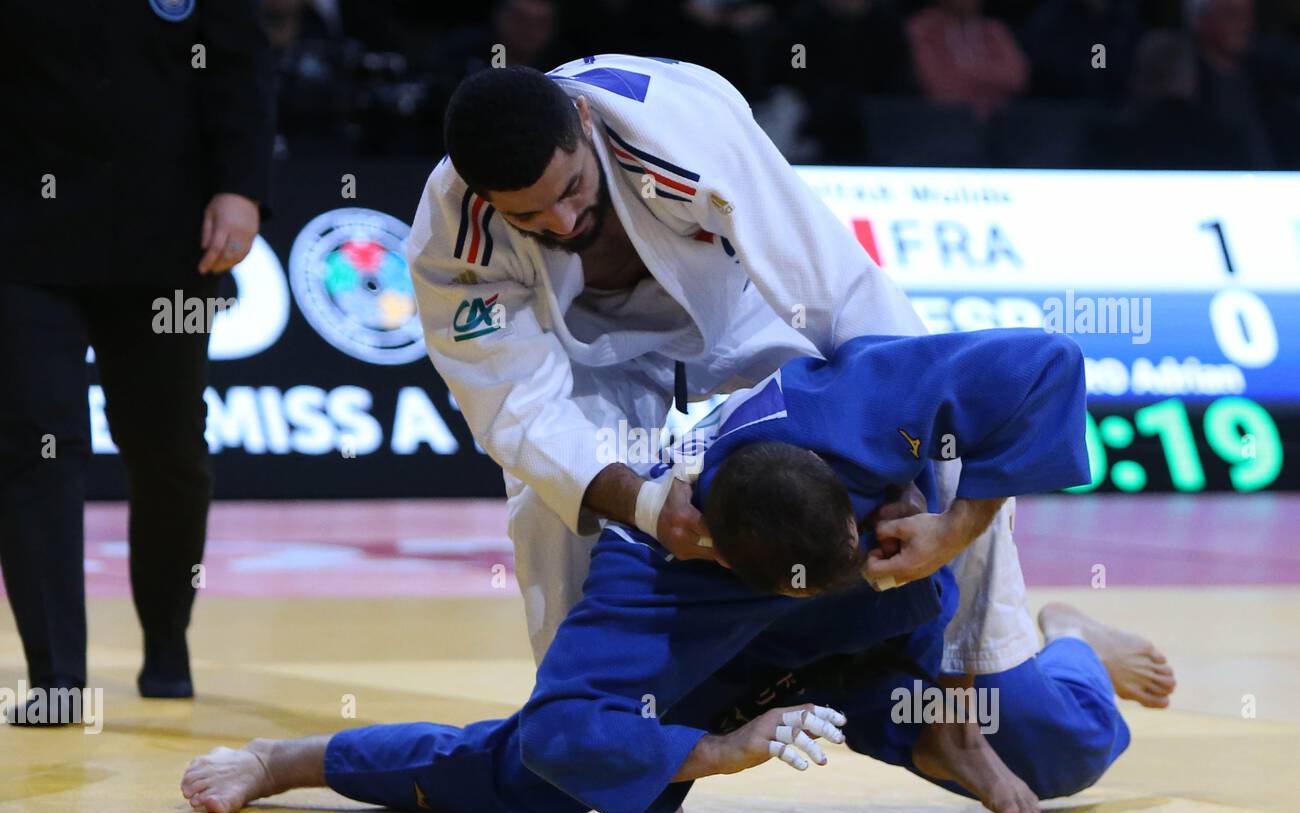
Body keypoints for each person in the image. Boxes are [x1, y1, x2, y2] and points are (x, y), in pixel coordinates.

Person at [182, 329, 1175, 813]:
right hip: (729, 674)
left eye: (854, 540)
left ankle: (1068, 634)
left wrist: (949, 535)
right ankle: (293, 758)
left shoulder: (853, 419)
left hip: (887, 643)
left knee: (1061, 747)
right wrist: (701, 757)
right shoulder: (655, 568)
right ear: (717, 557)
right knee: (533, 782)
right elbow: (564, 723)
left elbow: (1047, 363)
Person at [407, 55, 1040, 699]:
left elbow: (840, 292)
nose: (564, 224)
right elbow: (516, 407)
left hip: (745, 308)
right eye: (530, 218)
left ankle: (985, 673)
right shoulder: (449, 239)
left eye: (571, 190)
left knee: (941, 422)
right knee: (548, 512)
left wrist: (905, 466)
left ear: (583, 117)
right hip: (590, 357)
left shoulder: (685, 129)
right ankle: (596, 725)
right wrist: (647, 506)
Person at [0, 0, 274, 719]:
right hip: (23, 235)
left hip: (168, 236)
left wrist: (242, 185)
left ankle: (166, 641)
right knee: (36, 446)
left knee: (168, 448)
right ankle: (56, 679)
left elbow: (241, 65)